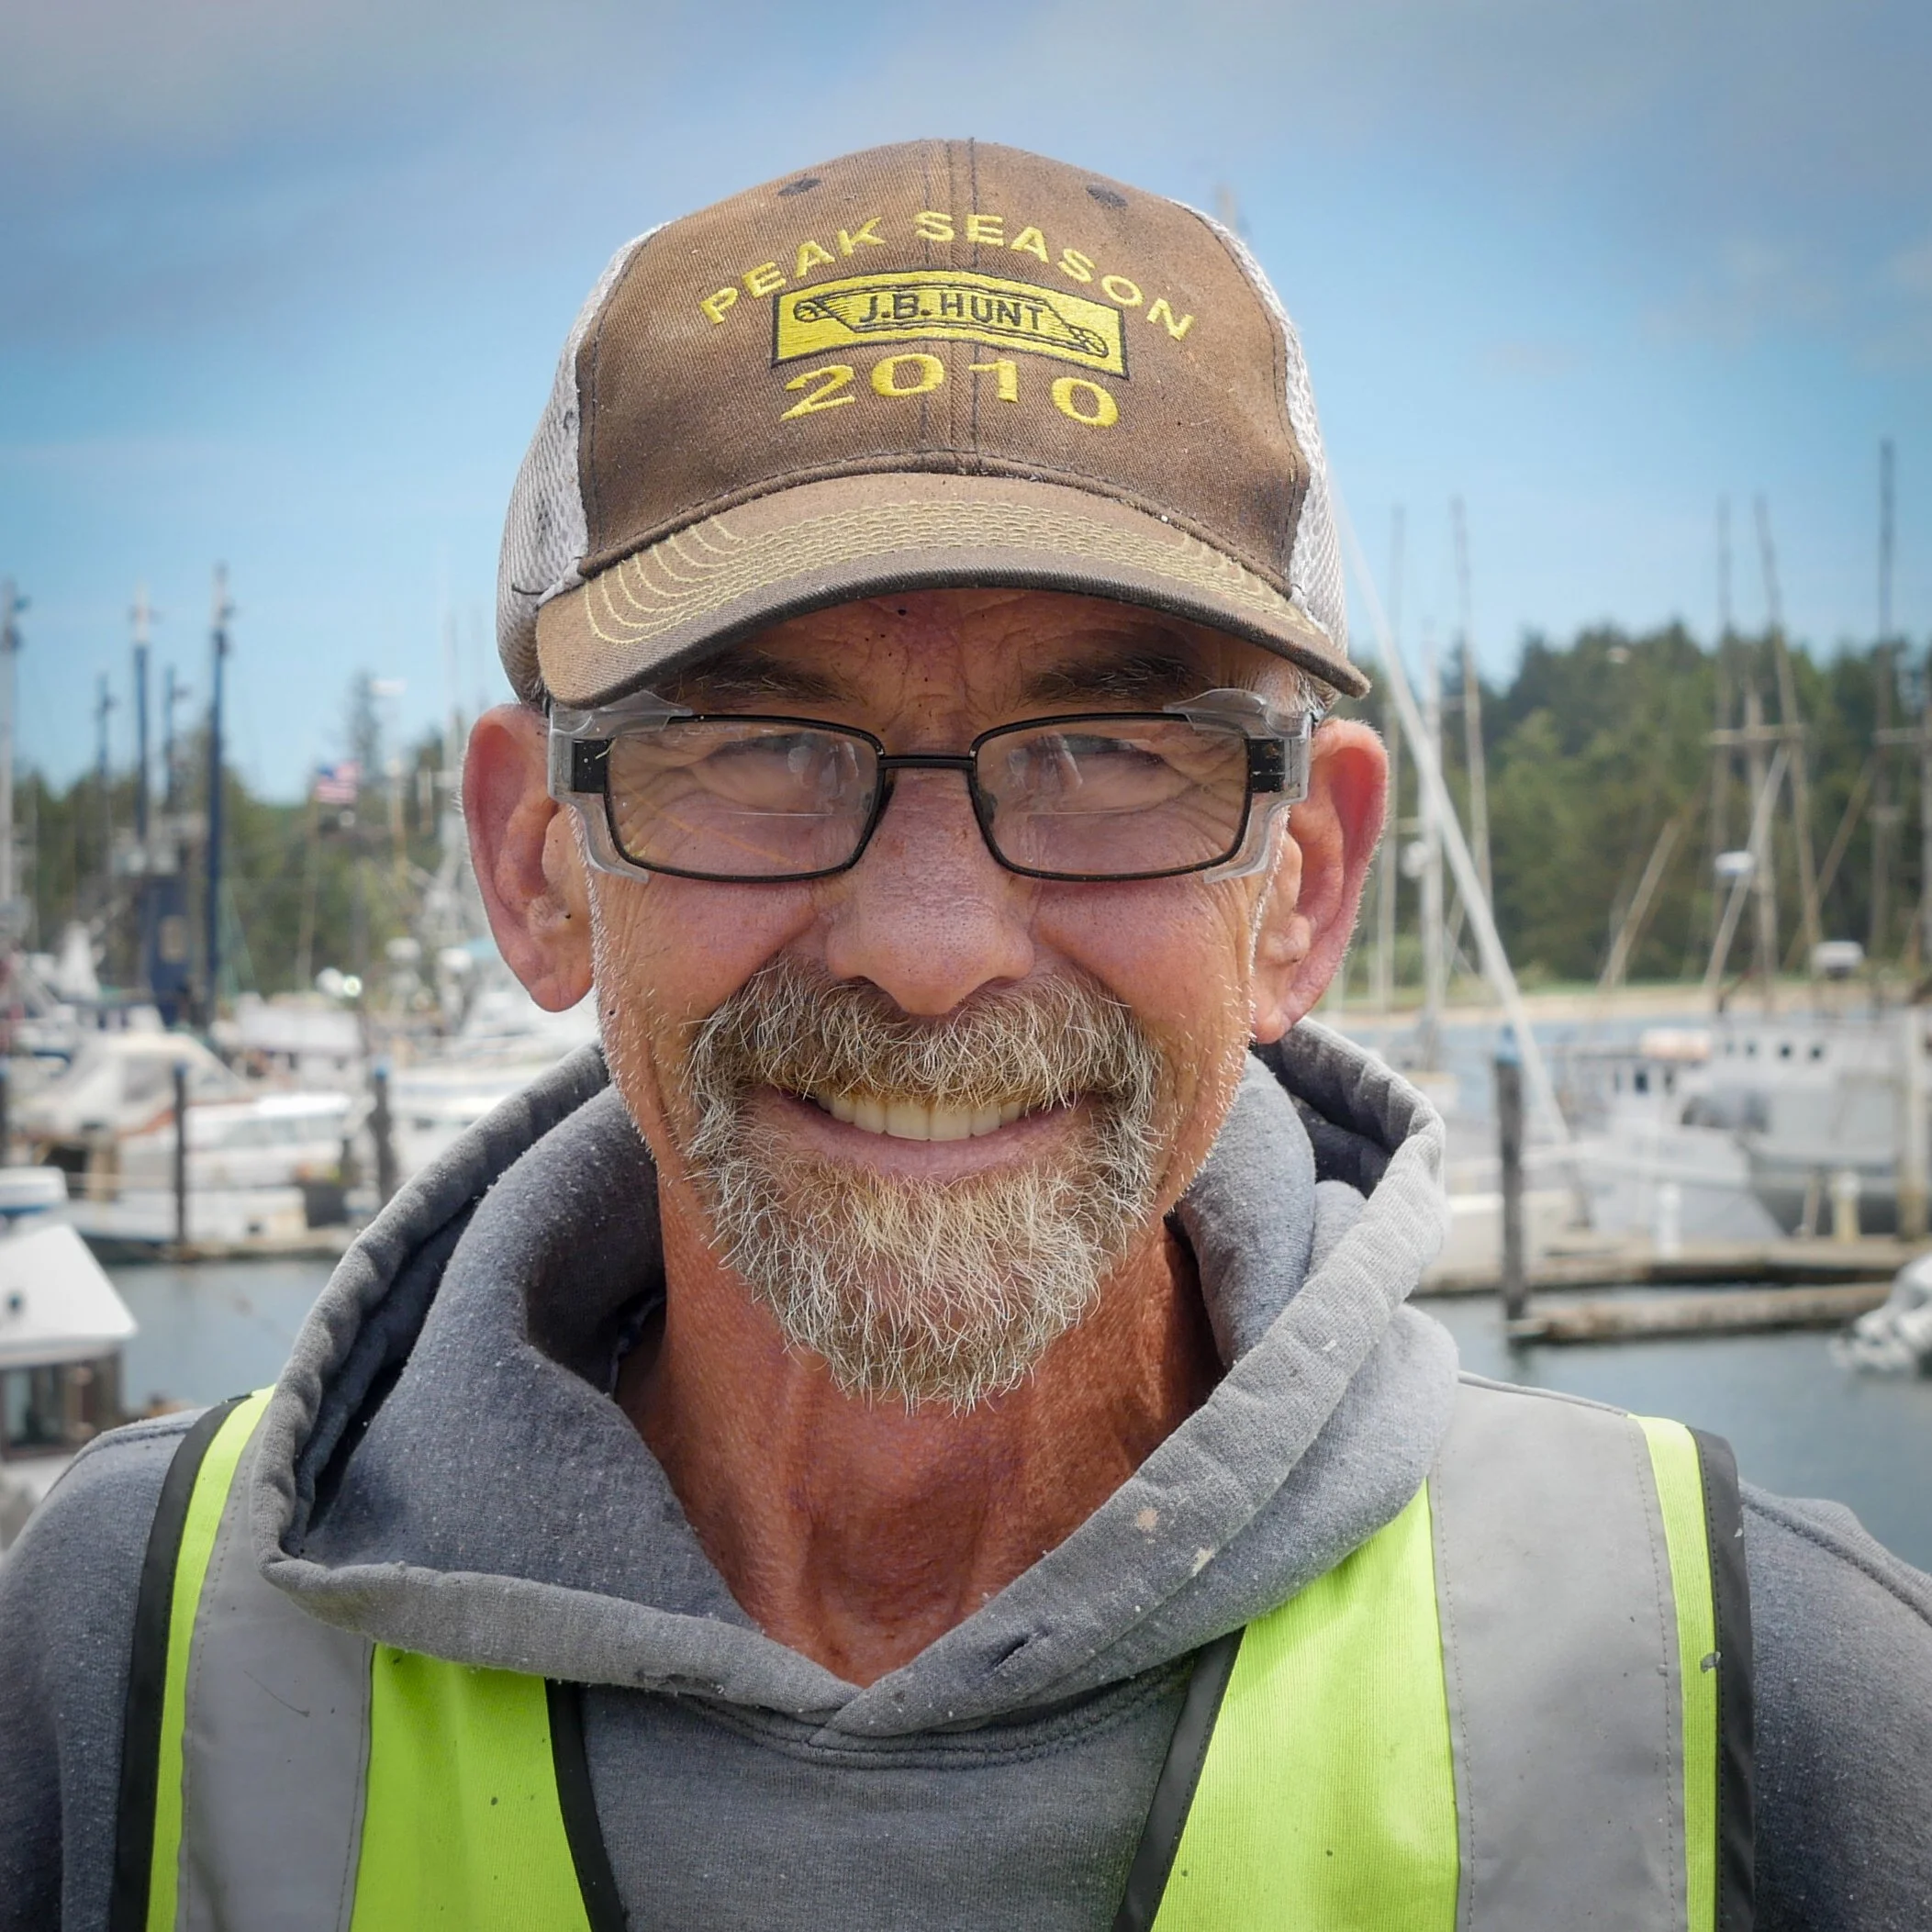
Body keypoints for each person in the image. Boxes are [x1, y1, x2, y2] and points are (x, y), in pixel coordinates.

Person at [4, 139, 1929, 1932]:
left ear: (1303, 888)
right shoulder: (118, 1671)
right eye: (754, 742)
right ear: (537, 866)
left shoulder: (1764, 1708)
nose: (928, 949)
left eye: (1109, 750)